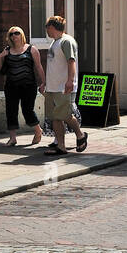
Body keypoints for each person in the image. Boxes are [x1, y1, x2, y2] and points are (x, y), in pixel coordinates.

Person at [43, 15, 88, 156]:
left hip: (63, 87)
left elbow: (71, 61)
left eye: (47, 28)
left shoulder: (66, 41)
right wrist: (45, 83)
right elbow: (53, 66)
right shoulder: (55, 42)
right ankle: (61, 146)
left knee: (66, 115)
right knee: (55, 117)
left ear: (52, 27)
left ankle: (80, 135)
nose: (46, 31)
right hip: (52, 86)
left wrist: (70, 80)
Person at [0, 26, 45, 147]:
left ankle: (38, 130)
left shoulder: (31, 49)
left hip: (28, 86)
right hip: (11, 86)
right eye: (11, 34)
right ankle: (12, 138)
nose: (14, 36)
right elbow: (0, 69)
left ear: (21, 35)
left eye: (16, 33)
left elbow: (39, 67)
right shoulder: (7, 51)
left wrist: (43, 82)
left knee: (27, 110)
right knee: (11, 111)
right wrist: (0, 57)